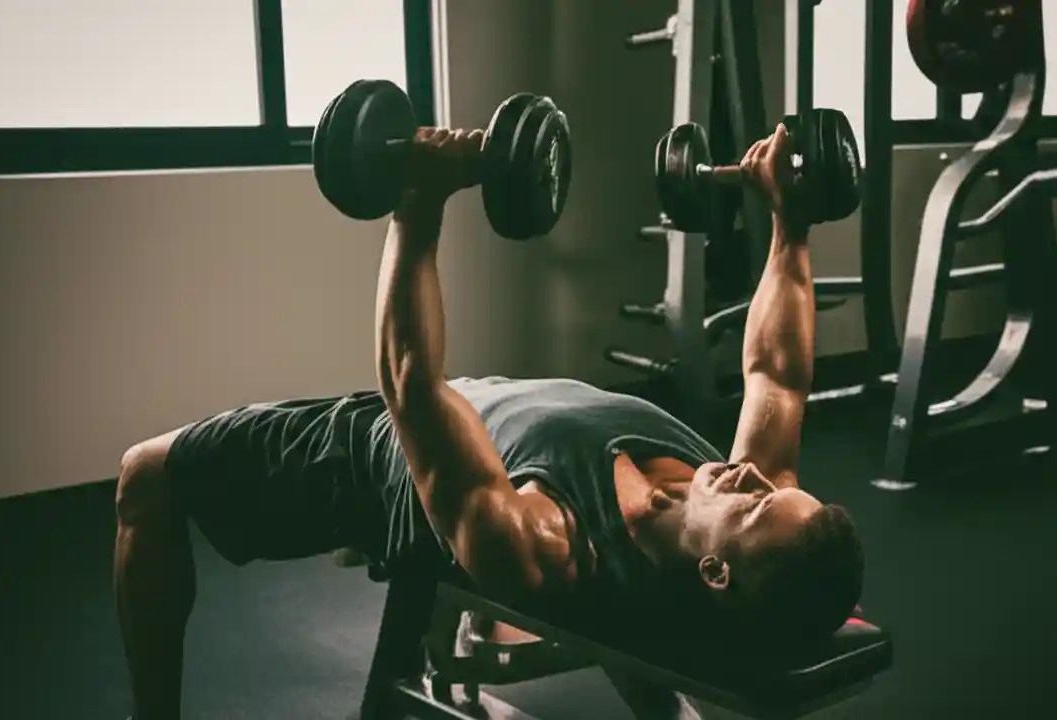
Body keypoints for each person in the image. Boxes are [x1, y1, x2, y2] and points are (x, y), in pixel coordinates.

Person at [113, 124, 864, 720]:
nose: (753, 474)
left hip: (374, 447)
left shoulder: (542, 541)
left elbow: (410, 382)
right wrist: (789, 223)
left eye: (754, 499)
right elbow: (777, 373)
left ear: (715, 570)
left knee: (145, 474)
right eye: (772, 482)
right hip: (478, 404)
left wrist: (417, 203)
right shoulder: (737, 494)